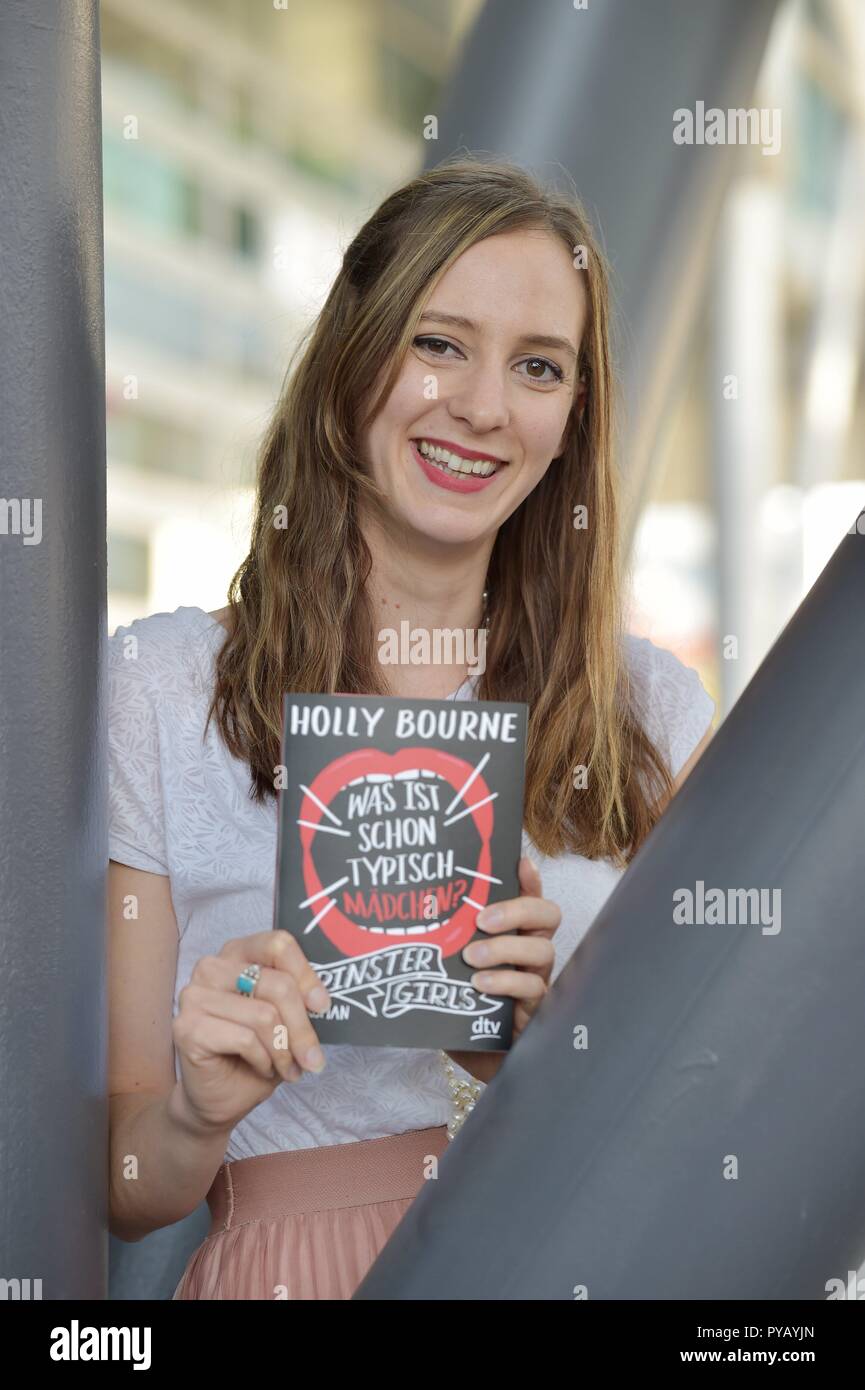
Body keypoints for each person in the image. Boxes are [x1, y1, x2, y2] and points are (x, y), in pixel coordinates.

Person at [107, 157, 715, 1300]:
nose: (483, 406)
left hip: (579, 1262)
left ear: (571, 414)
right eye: (439, 343)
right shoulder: (160, 686)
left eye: (537, 367)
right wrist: (195, 1107)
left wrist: (540, 1047)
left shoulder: (652, 709)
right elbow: (128, 1181)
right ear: (354, 354)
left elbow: (712, 1095)